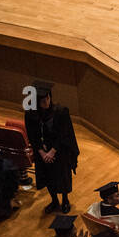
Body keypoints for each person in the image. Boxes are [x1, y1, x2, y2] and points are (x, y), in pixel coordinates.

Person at [24, 82, 79, 214]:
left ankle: (65, 200)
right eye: (43, 100)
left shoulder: (61, 112)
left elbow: (64, 134)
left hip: (60, 151)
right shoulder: (31, 115)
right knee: (48, 177)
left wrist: (52, 152)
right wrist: (43, 153)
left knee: (62, 176)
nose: (46, 102)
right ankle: (54, 201)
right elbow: (33, 136)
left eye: (48, 98)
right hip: (42, 152)